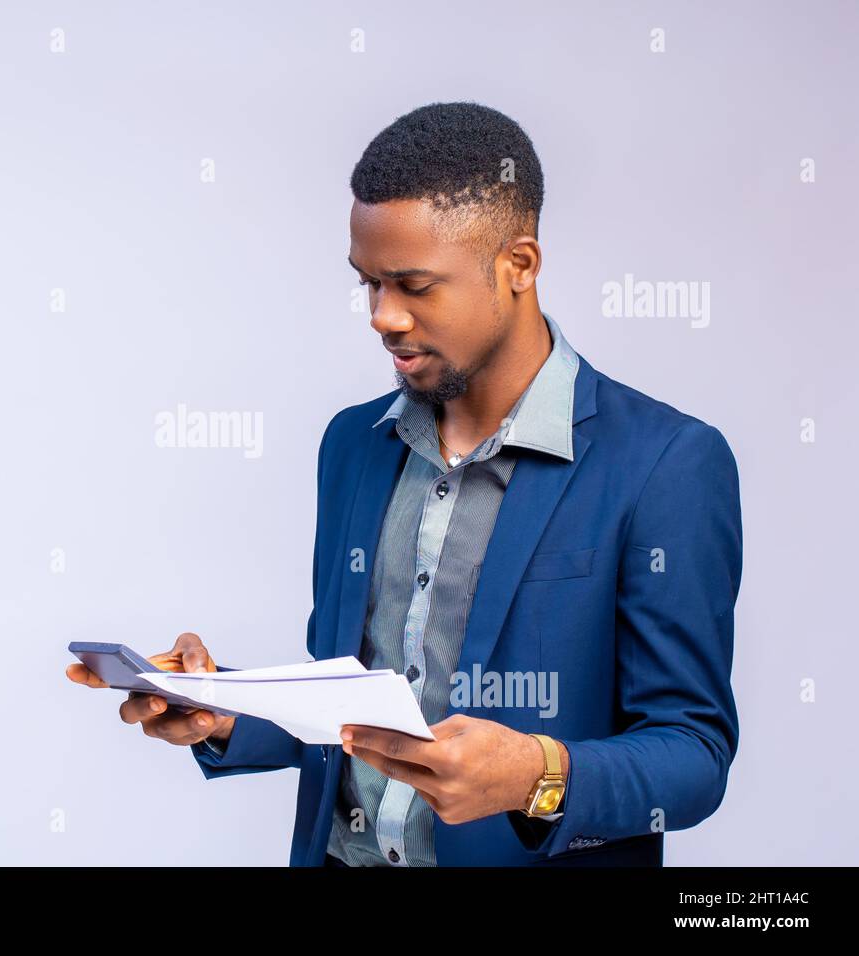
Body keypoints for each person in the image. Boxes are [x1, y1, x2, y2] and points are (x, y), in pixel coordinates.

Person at [66, 102, 741, 866]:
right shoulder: (354, 443)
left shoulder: (666, 462)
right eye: (369, 285)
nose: (383, 317)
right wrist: (223, 710)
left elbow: (693, 754)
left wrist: (535, 774)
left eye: (414, 285)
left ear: (518, 265)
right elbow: (350, 705)